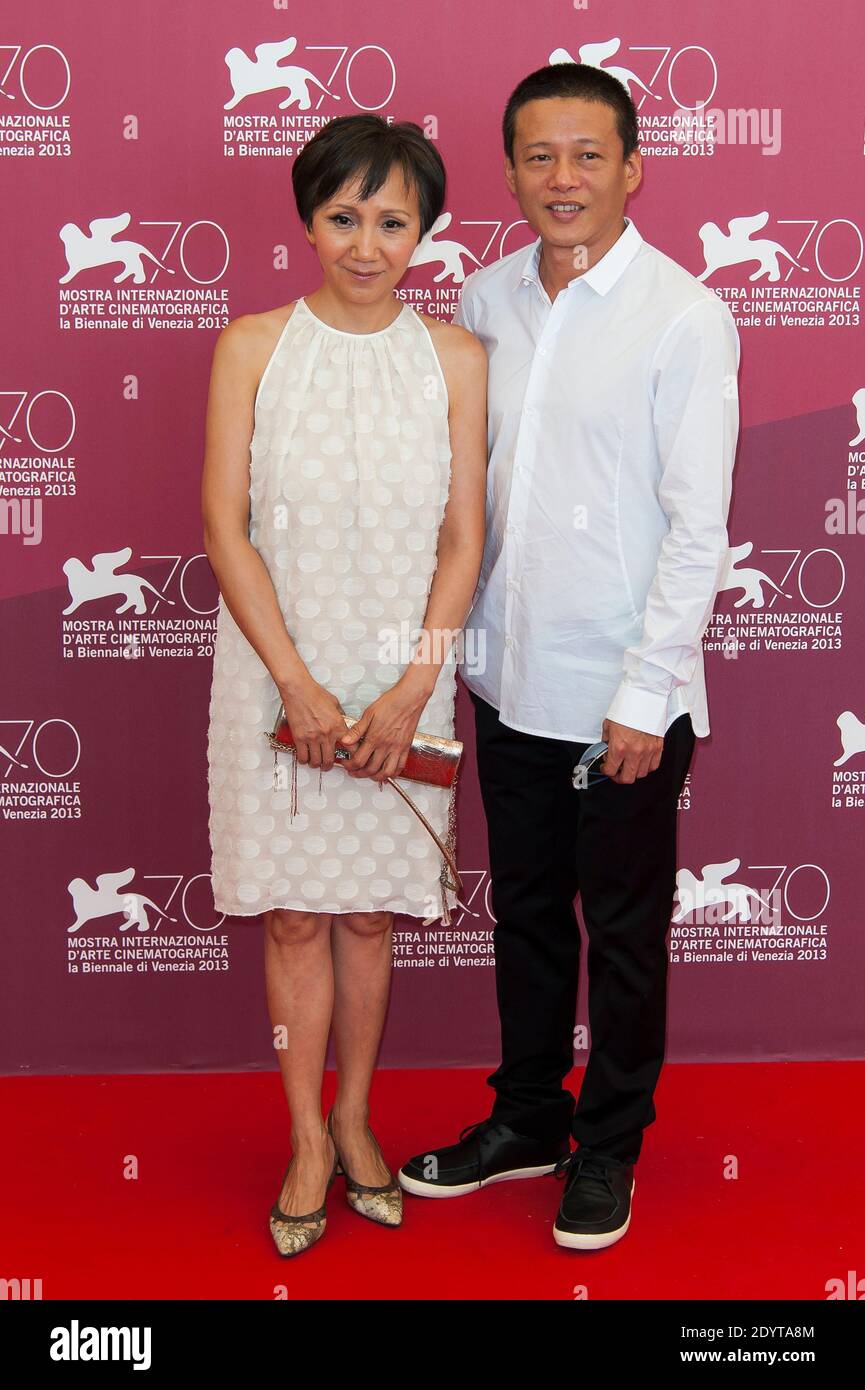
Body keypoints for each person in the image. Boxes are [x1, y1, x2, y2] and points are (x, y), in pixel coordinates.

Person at [398, 62, 740, 1250]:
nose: (563, 177)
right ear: (508, 171)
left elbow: (697, 528)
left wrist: (647, 694)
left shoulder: (687, 318)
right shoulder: (481, 302)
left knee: (625, 936)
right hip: (508, 680)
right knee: (528, 916)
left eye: (588, 154)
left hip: (621, 701)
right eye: (539, 156)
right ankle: (529, 1118)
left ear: (633, 166)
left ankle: (607, 1150)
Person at [201, 113, 487, 1257]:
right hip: (274, 676)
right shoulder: (252, 345)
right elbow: (225, 527)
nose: (367, 245)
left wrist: (412, 688)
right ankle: (305, 1140)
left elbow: (463, 536)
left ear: (423, 230)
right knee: (291, 917)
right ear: (308, 219)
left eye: (392, 221)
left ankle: (359, 1119)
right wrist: (296, 685)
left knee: (369, 915)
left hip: (397, 681)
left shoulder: (455, 359)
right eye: (343, 218)